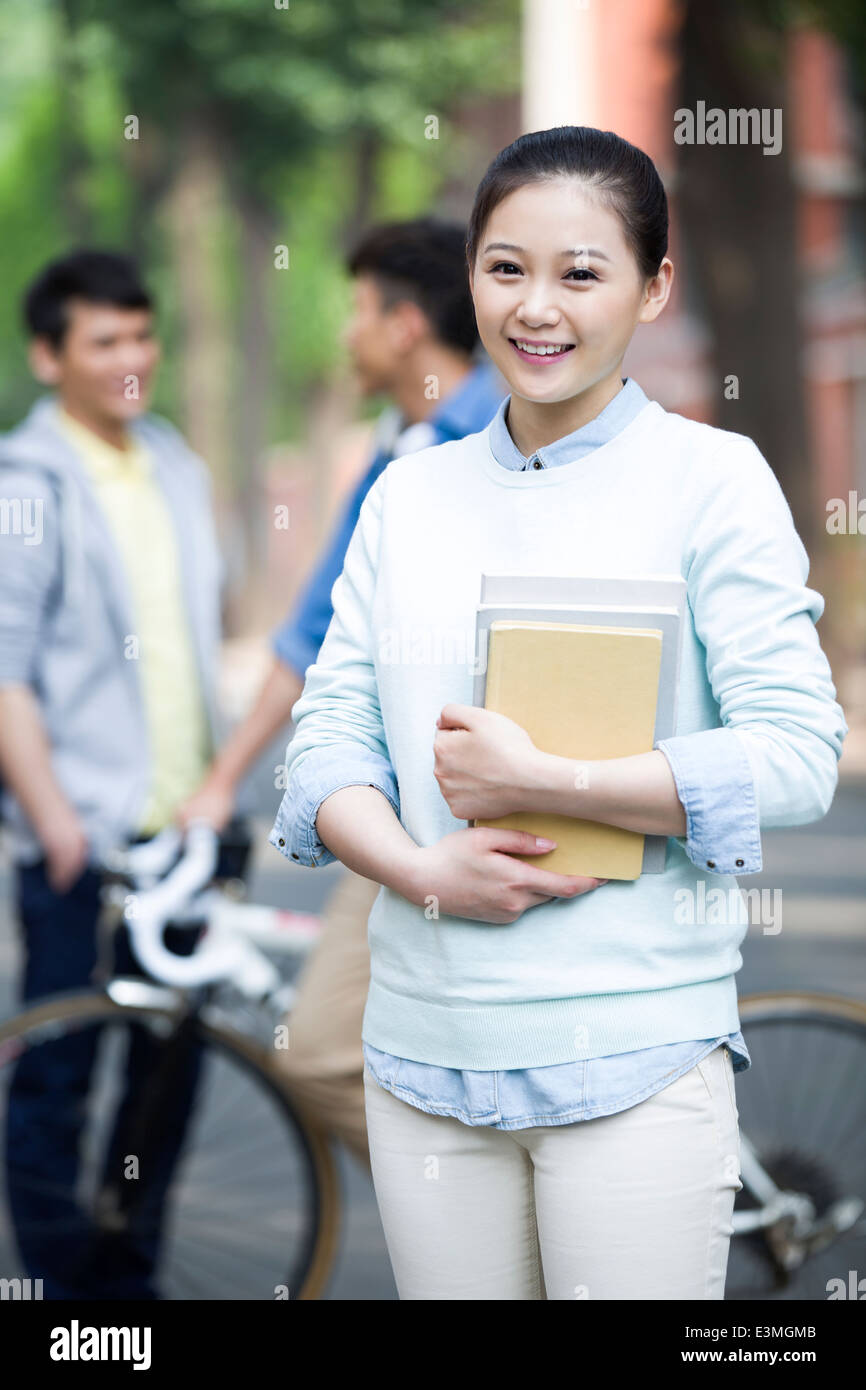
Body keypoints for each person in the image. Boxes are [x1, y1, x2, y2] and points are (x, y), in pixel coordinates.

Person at [269, 126, 849, 1300]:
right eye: (504, 268)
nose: (536, 308)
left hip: (633, 1060)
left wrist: (552, 785)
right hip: (423, 1054)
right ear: (471, 276)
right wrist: (425, 871)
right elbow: (326, 738)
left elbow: (794, 753)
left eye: (580, 273)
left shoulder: (711, 479)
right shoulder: (407, 494)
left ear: (652, 287)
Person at [179, 218, 506, 1168]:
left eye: (358, 312)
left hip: (462, 798)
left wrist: (220, 784)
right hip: (409, 795)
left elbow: (312, 633)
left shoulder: (486, 433)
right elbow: (320, 629)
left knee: (319, 1053)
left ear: (405, 326)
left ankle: (508, 1199)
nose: (345, 335)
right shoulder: (406, 441)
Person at [0, 249, 223, 1298]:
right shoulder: (25, 483)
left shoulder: (175, 462)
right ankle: (62, 1302)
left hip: (189, 836)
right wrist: (53, 820)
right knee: (56, 1079)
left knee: (164, 1085)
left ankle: (125, 1293)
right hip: (80, 836)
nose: (133, 358)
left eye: (143, 334)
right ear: (49, 357)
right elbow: (4, 670)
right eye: (105, 341)